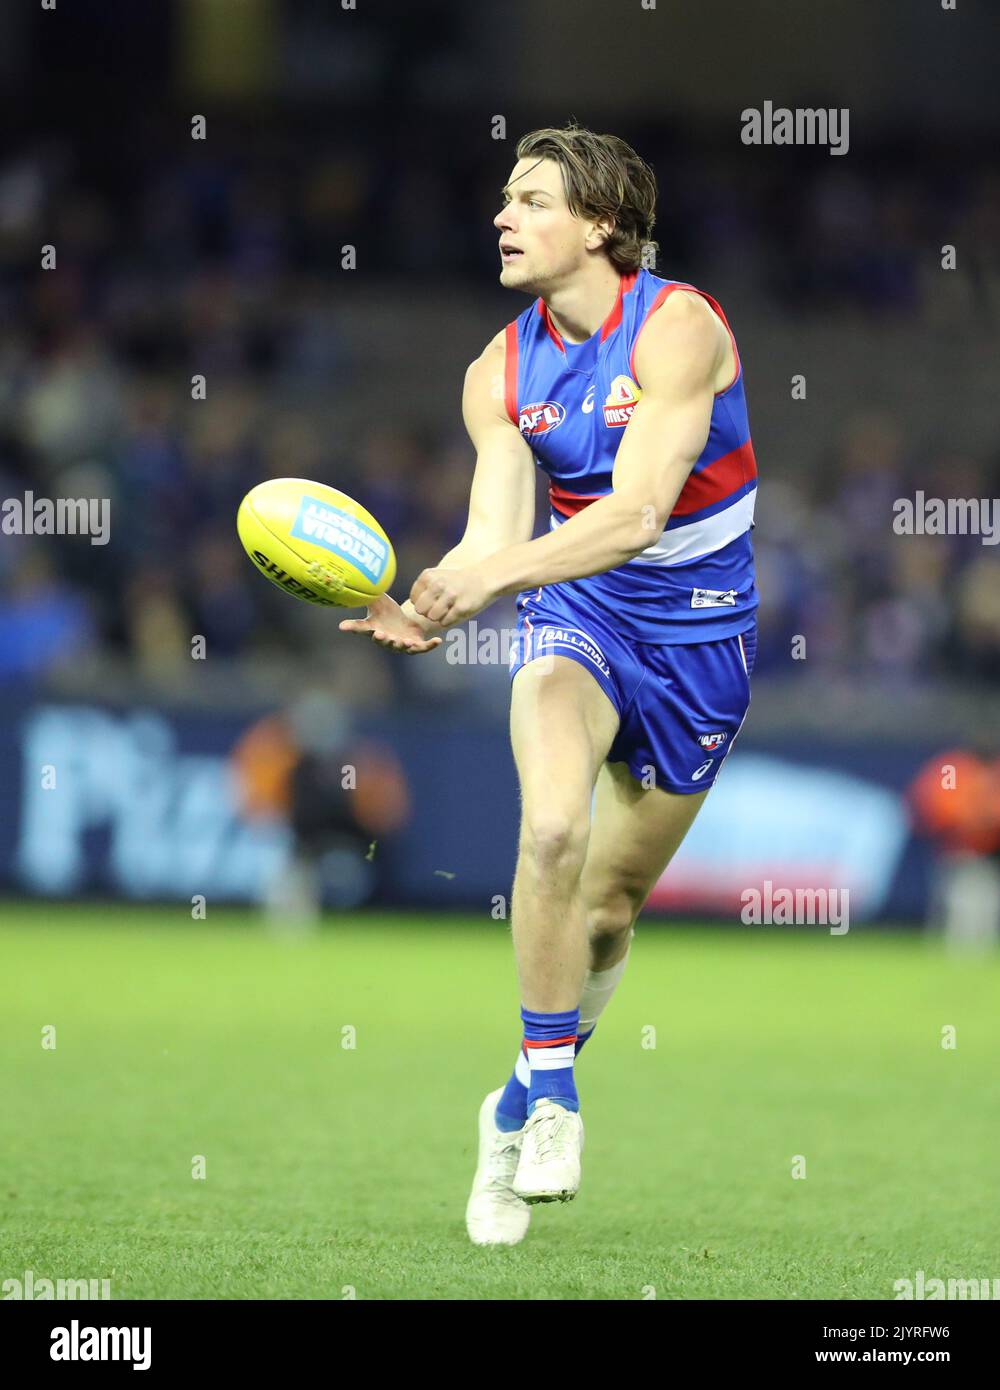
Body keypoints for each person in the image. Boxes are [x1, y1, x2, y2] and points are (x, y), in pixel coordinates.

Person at [339, 123, 759, 1244]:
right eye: (504, 200)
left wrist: (487, 581)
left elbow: (632, 516)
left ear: (600, 224)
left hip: (699, 642)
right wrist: (430, 594)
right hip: (578, 619)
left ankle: (511, 1107)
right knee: (550, 836)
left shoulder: (678, 330)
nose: (502, 217)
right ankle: (557, 1093)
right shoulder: (499, 368)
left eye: (530, 201)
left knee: (609, 917)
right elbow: (495, 528)